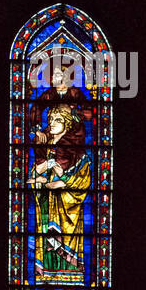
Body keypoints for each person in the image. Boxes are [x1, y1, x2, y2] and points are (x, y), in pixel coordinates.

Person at [29, 105, 90, 279]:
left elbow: (83, 178)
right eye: (50, 120)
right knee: (46, 243)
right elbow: (34, 174)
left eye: (58, 120)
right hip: (47, 205)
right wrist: (39, 179)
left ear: (68, 123)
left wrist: (63, 183)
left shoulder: (76, 152)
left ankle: (70, 289)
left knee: (65, 243)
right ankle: (47, 285)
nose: (52, 124)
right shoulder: (45, 147)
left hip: (67, 207)